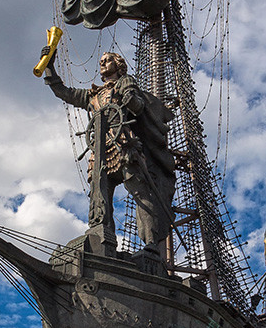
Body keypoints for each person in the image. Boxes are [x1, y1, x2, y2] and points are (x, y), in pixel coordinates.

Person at [42, 50, 175, 253]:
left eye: (107, 60)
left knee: (140, 191)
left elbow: (138, 107)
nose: (103, 63)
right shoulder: (92, 95)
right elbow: (64, 92)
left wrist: (130, 98)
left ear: (118, 64)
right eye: (101, 61)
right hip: (99, 149)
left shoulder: (125, 83)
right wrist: (49, 67)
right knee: (99, 193)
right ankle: (103, 240)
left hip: (124, 144)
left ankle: (151, 243)